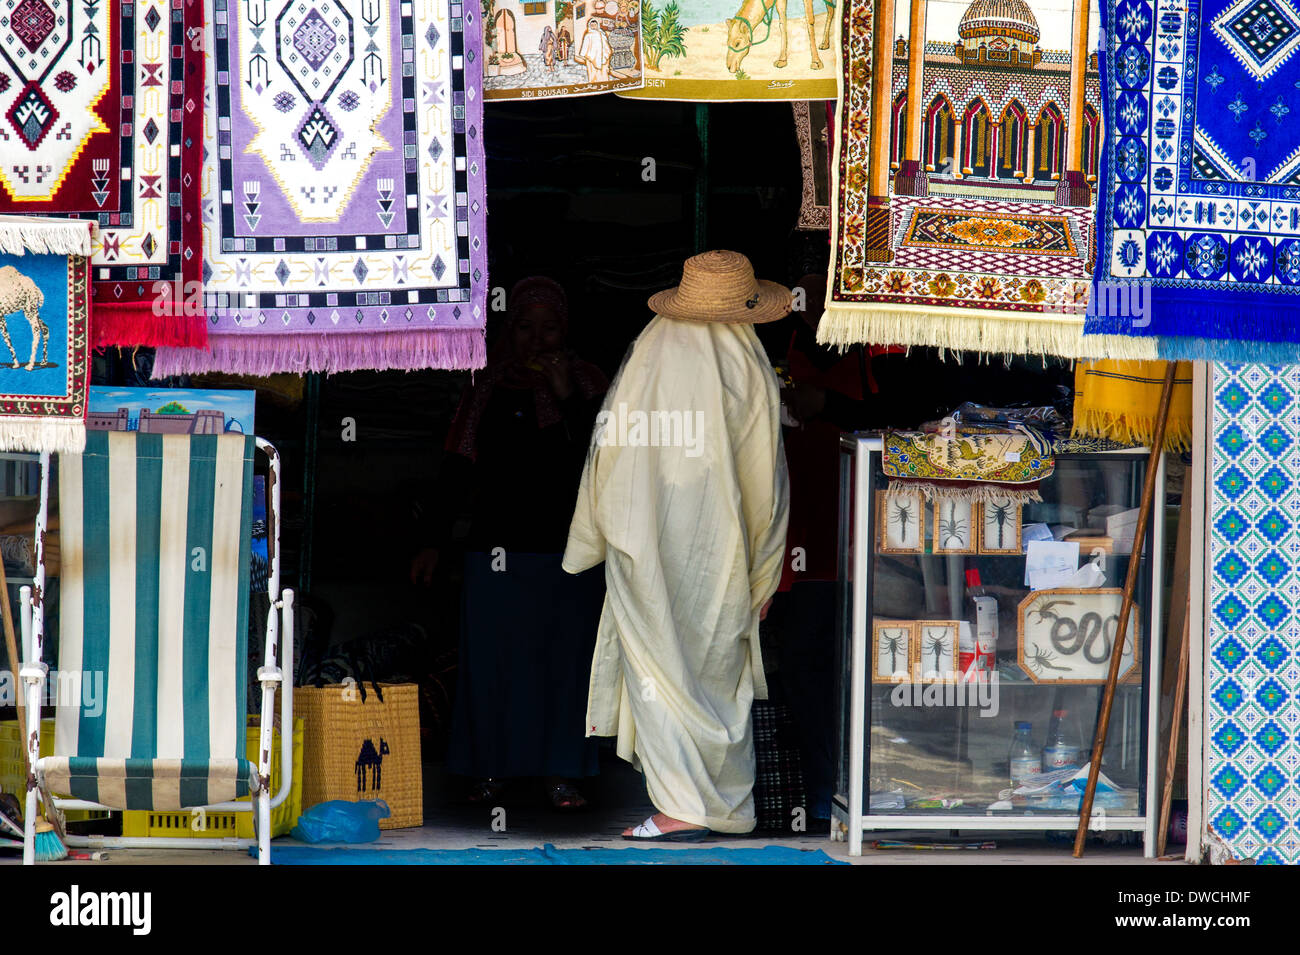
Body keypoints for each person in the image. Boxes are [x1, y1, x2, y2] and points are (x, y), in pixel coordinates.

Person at [563, 250, 790, 839]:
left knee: (658, 669)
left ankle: (681, 805)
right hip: (725, 552)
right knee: (718, 671)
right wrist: (766, 571)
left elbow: (608, 447)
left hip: (645, 542)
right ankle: (723, 806)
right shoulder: (748, 363)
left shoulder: (649, 351)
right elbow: (767, 483)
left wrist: (596, 532)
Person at [413, 277, 609, 810]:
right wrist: (434, 541)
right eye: (525, 327)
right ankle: (491, 770)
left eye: (549, 329)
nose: (537, 341)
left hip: (571, 554)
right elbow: (456, 466)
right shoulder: (487, 386)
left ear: (566, 332)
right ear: (508, 328)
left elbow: (604, 459)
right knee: (495, 665)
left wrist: (566, 391)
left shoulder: (589, 382)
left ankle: (563, 773)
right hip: (495, 553)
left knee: (564, 667)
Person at [578, 18, 611, 83]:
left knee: (603, 72)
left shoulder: (602, 34)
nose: (593, 26)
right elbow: (585, 46)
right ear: (589, 26)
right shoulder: (588, 35)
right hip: (591, 58)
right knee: (593, 73)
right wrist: (583, 54)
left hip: (602, 57)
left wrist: (607, 53)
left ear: (597, 25)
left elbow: (605, 44)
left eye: (595, 25)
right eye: (592, 25)